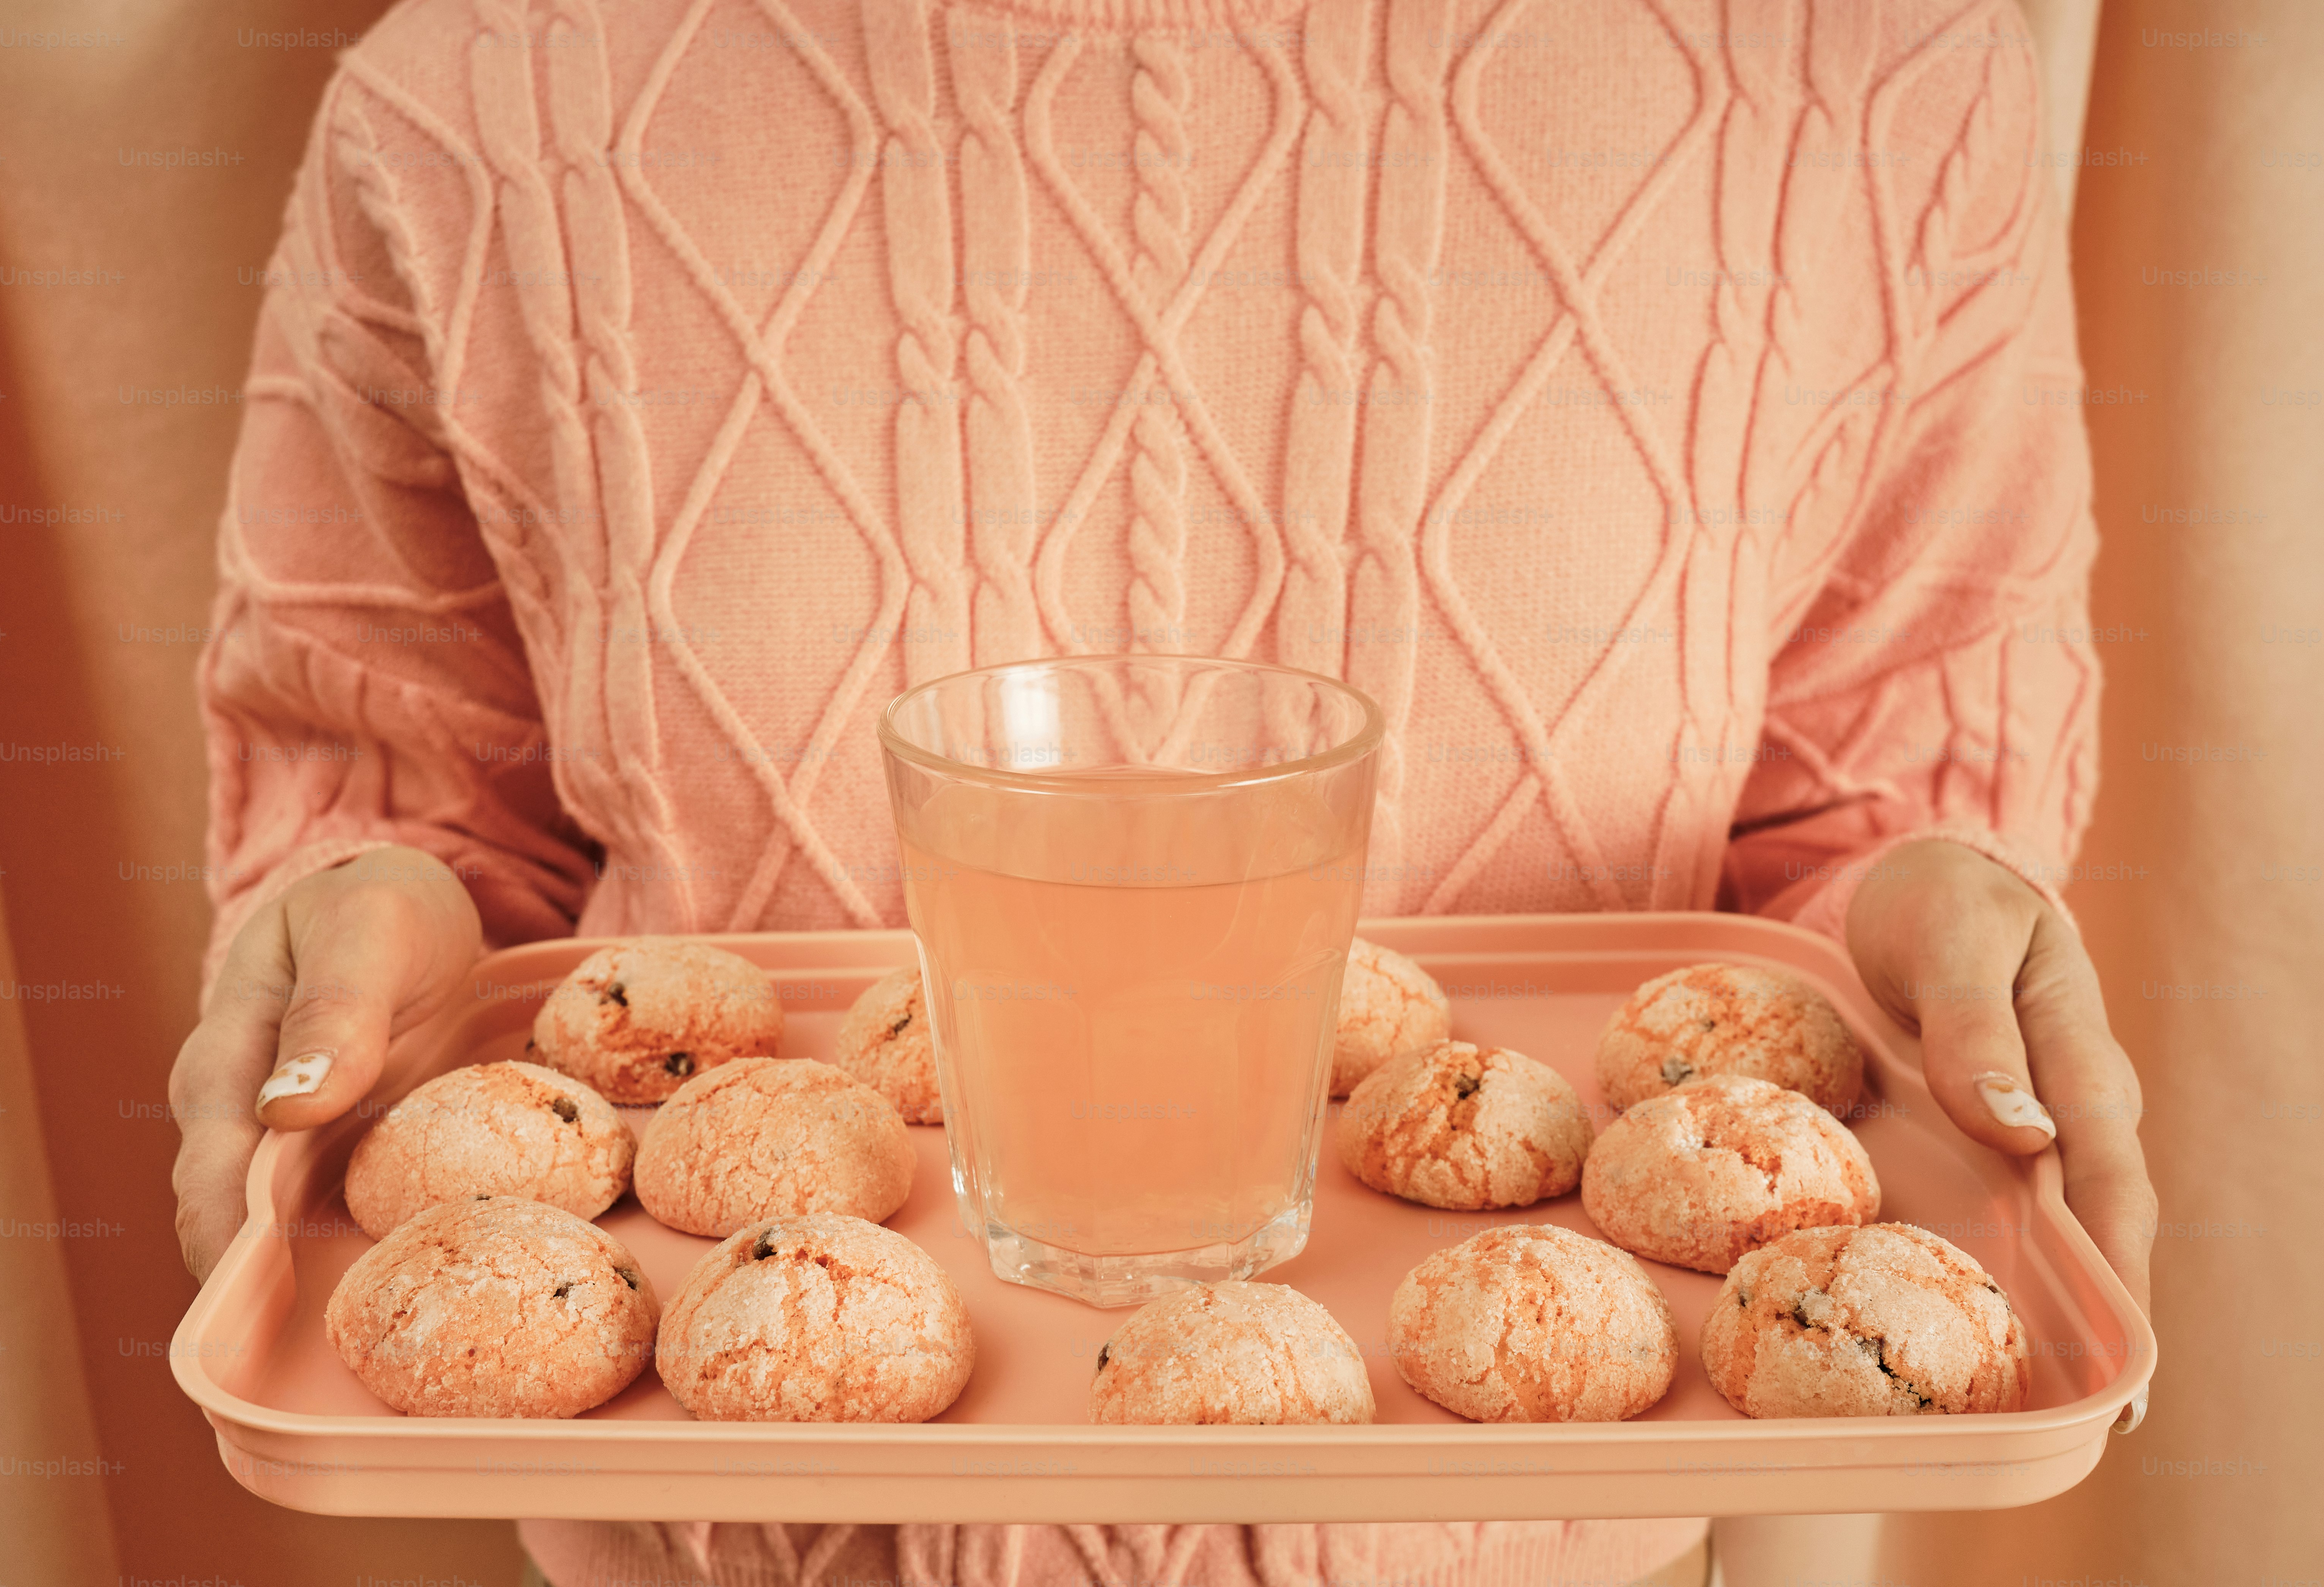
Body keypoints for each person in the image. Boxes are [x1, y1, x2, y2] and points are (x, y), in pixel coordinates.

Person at [169, 0, 2155, 1582]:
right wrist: (366, 934)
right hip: (722, 1546)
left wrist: (1928, 931)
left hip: (1550, 1526)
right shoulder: (478, 97)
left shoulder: (1876, 73)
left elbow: (1850, 841)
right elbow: (422, 804)